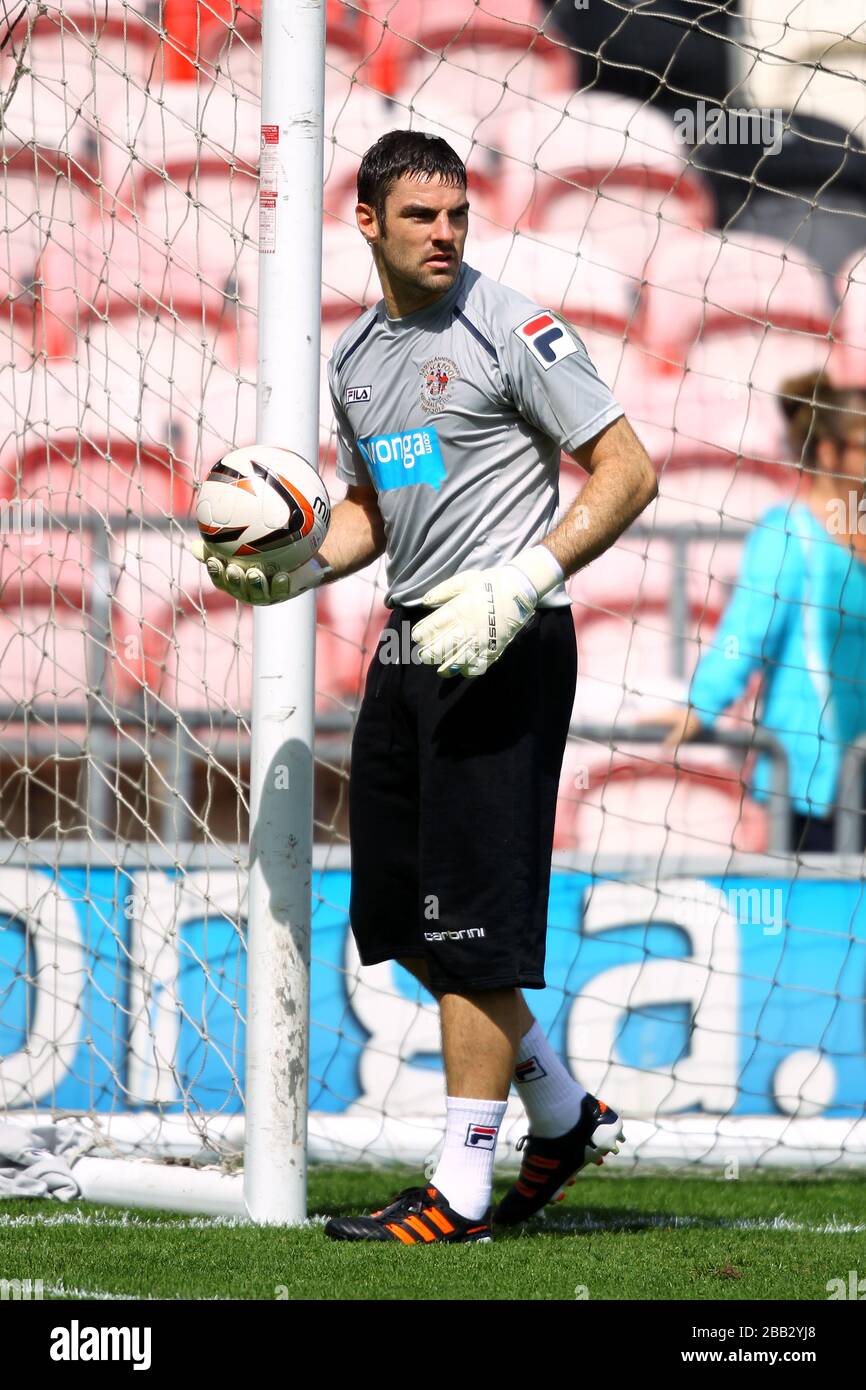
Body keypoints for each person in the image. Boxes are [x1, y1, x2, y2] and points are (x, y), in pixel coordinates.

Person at [194, 130, 658, 1243]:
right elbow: (371, 505)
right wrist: (290, 565)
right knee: (399, 915)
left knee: (469, 929)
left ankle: (457, 1192)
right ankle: (556, 1110)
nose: (445, 233)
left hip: (506, 642)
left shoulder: (514, 329)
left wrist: (525, 577)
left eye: (456, 214)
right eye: (420, 216)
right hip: (408, 652)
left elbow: (629, 468)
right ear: (368, 222)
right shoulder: (356, 361)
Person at [655, 370, 866, 852]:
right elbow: (746, 634)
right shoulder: (789, 534)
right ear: (831, 453)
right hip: (817, 785)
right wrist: (701, 707)